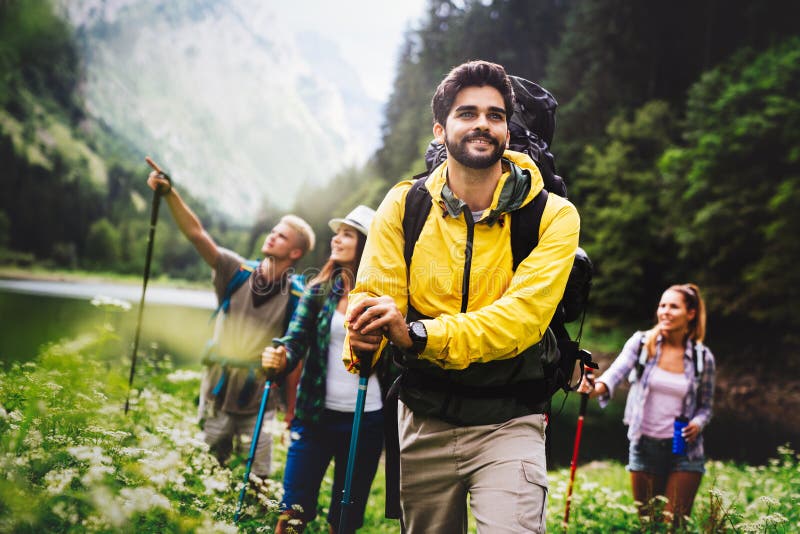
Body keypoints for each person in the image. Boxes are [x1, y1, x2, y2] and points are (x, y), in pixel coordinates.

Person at [344, 60, 580, 533]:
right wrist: (364, 339)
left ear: (508, 132)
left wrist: (415, 334)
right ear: (440, 128)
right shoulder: (403, 204)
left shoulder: (553, 216)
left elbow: (519, 322)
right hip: (423, 417)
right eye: (466, 113)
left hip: (510, 419)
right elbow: (374, 294)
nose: (482, 124)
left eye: (495, 115)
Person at [145, 168, 315, 479]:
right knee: (206, 471)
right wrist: (169, 194)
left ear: (295, 252)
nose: (272, 235)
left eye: (281, 235)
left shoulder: (297, 296)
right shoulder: (234, 271)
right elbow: (197, 234)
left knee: (259, 479)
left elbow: (296, 357)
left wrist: (290, 410)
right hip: (218, 393)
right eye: (273, 230)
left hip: (260, 398)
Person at [262, 205, 384, 534]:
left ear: (367, 243)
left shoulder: (386, 294)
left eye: (347, 234)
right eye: (337, 232)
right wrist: (281, 356)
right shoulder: (318, 289)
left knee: (344, 518)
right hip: (314, 414)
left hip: (365, 417)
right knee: (293, 510)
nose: (336, 238)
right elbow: (296, 339)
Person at [578, 283, 715, 527]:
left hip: (684, 450)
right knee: (649, 525)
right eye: (662, 305)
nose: (665, 311)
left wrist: (698, 422)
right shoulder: (641, 344)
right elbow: (614, 375)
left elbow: (705, 406)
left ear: (690, 313)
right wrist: (594, 388)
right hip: (644, 446)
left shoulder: (702, 358)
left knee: (673, 525)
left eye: (673, 306)